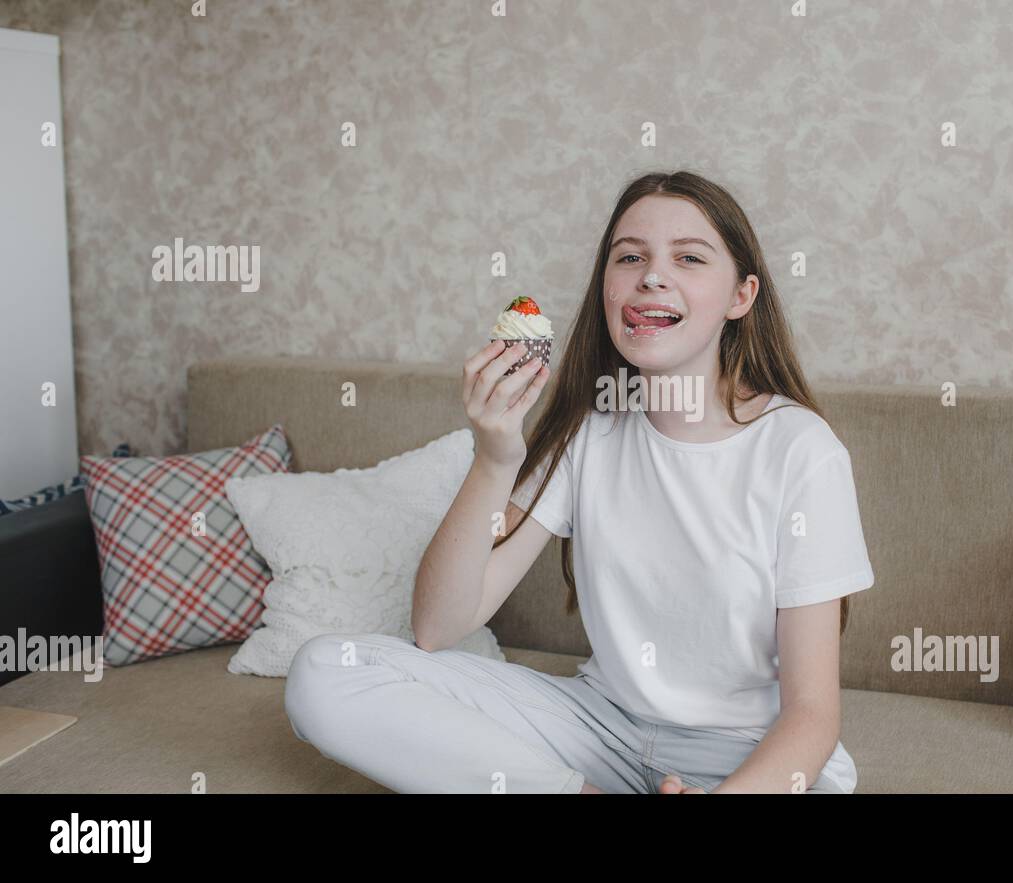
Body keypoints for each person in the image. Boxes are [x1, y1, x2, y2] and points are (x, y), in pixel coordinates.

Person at [284, 170, 875, 794]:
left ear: (741, 295)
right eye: (630, 257)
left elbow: (812, 715)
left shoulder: (800, 449)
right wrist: (493, 457)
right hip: (600, 731)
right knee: (325, 672)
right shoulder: (590, 433)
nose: (652, 274)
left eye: (690, 258)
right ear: (607, 289)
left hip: (745, 757)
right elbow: (437, 625)